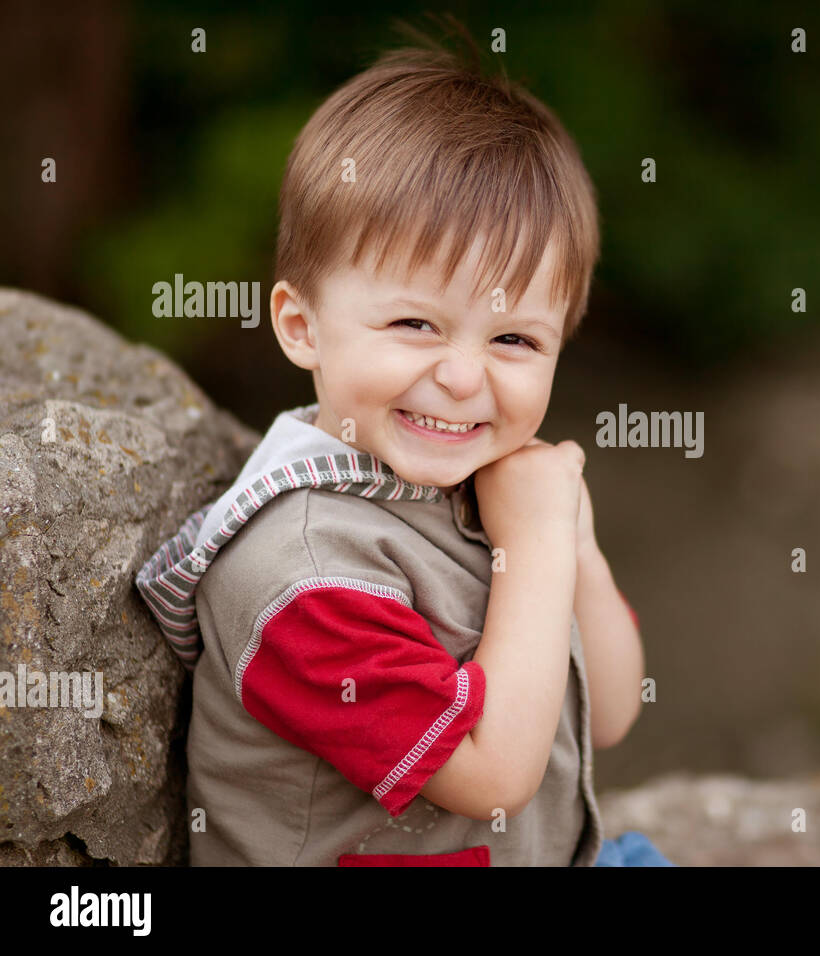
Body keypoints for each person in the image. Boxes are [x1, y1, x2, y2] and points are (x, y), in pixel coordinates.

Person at [135, 34, 674, 867]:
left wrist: (576, 548)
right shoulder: (303, 577)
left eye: (515, 340)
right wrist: (534, 547)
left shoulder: (484, 484)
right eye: (414, 324)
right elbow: (494, 777)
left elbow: (609, 711)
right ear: (301, 326)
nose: (463, 377)